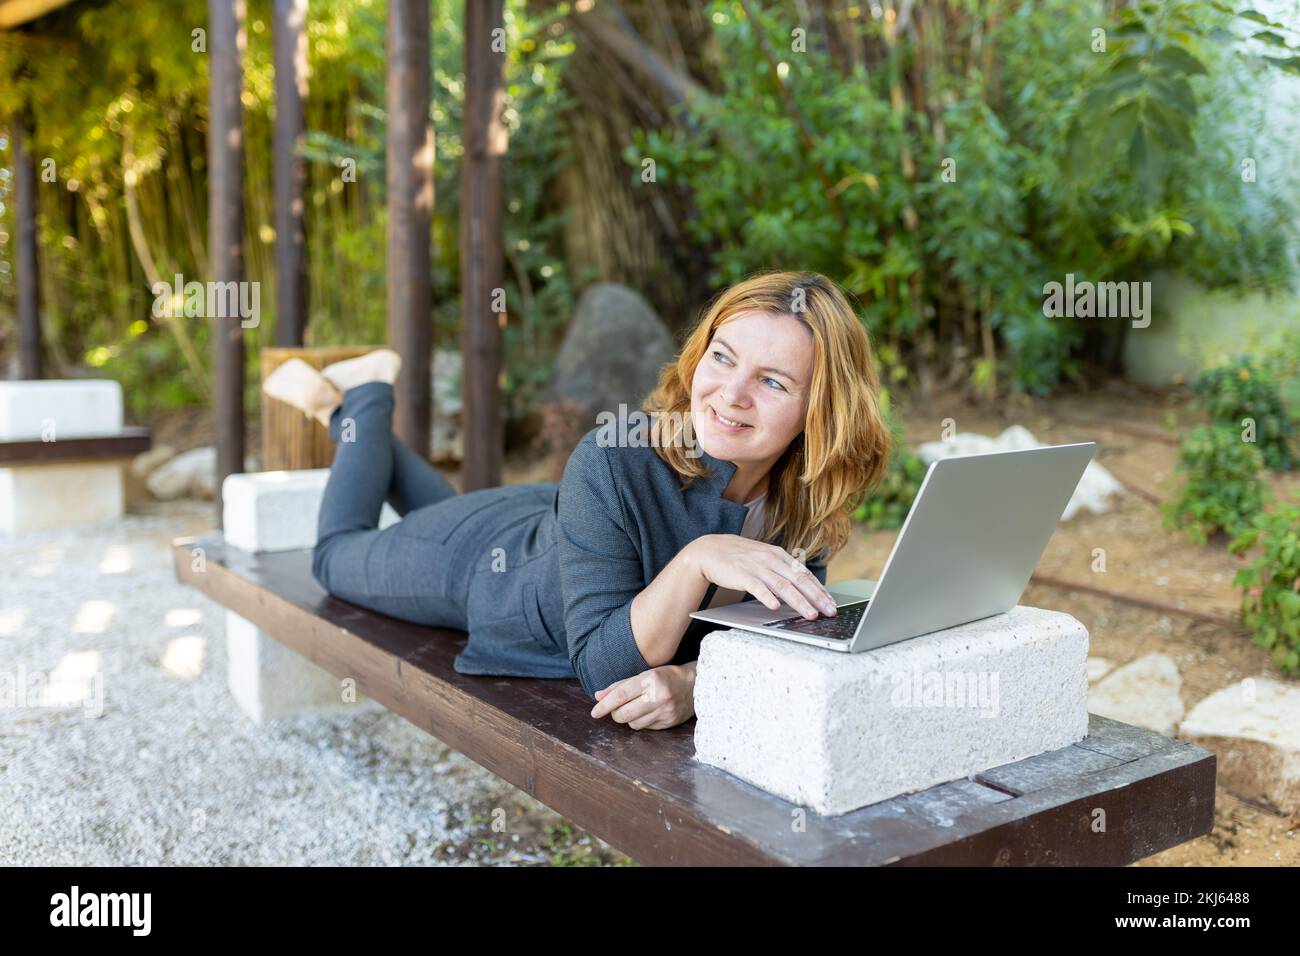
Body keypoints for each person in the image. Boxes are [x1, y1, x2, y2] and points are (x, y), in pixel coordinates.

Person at [261, 270, 892, 731]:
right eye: (722, 358)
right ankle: (363, 397)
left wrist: (697, 684)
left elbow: (786, 636)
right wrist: (698, 557)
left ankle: (348, 411)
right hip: (488, 567)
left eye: (773, 381)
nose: (730, 394)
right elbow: (603, 665)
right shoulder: (614, 459)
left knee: (430, 515)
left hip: (558, 517)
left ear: (820, 412)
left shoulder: (806, 495)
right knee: (335, 556)